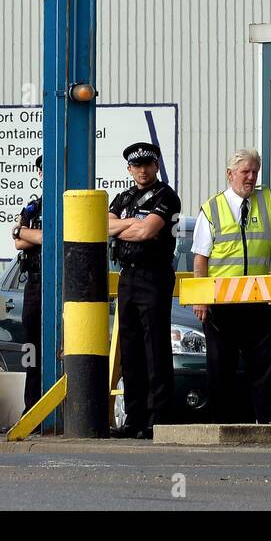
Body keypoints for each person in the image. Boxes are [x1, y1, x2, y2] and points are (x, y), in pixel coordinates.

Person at [191, 148, 271, 424]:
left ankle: (266, 420)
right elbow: (201, 258)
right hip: (223, 305)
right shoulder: (212, 209)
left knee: (265, 365)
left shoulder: (268, 199)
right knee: (222, 368)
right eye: (245, 172)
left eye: (254, 172)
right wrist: (201, 298)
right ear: (230, 174)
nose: (250, 178)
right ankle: (223, 424)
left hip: (257, 302)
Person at [107, 142, 181, 438]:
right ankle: (134, 419)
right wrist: (131, 223)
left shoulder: (166, 196)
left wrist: (125, 226)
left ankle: (158, 418)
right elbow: (103, 225)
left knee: (155, 348)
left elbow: (147, 230)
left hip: (154, 274)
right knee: (131, 348)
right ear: (129, 169)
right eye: (136, 166)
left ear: (156, 165)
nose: (142, 170)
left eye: (147, 164)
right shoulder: (123, 197)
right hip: (128, 275)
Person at [12, 154, 44, 410]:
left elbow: (53, 237)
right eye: (43, 170)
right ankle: (31, 407)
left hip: (61, 284)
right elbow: (18, 240)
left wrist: (24, 232)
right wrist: (25, 233)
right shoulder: (33, 208)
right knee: (32, 349)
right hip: (34, 284)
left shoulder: (68, 204)